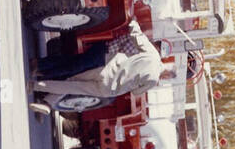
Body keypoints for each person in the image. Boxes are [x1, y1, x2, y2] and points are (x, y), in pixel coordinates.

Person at [29, 19, 176, 101]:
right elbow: (136, 93)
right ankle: (37, 84)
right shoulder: (152, 80)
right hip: (108, 87)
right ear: (167, 75)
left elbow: (136, 34)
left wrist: (133, 21)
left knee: (72, 72)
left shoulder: (150, 52)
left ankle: (42, 78)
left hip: (107, 66)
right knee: (71, 82)